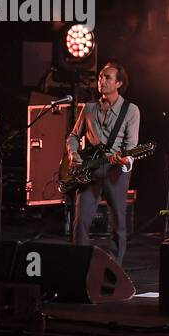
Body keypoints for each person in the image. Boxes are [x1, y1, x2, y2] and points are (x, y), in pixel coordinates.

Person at [67, 61, 139, 263]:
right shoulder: (89, 108)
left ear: (119, 83)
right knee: (81, 220)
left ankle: (115, 265)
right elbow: (73, 135)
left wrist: (126, 159)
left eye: (108, 77)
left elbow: (131, 145)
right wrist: (73, 154)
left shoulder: (131, 110)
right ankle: (79, 263)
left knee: (118, 221)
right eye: (100, 76)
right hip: (90, 170)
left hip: (116, 170)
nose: (102, 80)